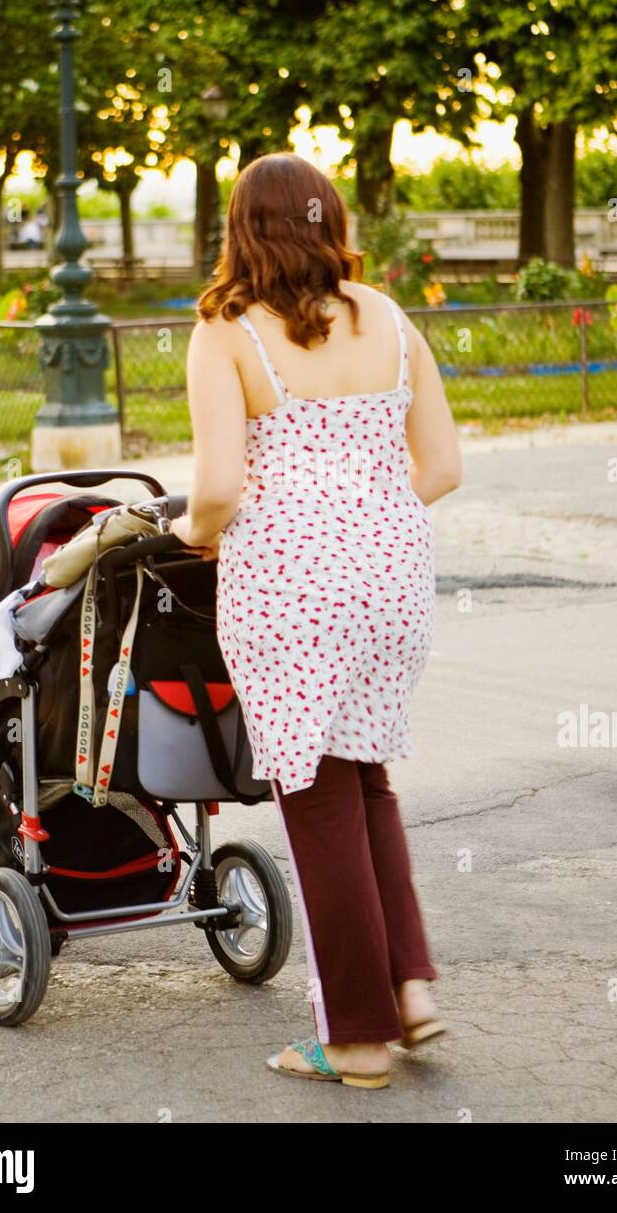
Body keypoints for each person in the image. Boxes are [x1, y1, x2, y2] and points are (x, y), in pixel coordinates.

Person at [170, 152, 461, 1089]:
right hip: (395, 575)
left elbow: (216, 488)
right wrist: (365, 517)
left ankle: (357, 1038)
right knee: (366, 778)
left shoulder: (227, 332)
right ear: (326, 217)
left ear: (241, 232)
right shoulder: (384, 313)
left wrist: (193, 532)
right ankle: (408, 989)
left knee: (320, 800)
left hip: (291, 589)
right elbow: (445, 468)